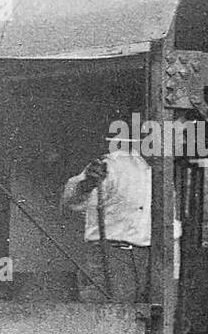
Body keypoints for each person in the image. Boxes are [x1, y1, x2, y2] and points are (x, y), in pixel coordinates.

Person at [61, 124, 151, 303]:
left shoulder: (166, 172)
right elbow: (71, 200)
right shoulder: (114, 164)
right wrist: (87, 183)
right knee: (106, 313)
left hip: (148, 260)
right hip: (110, 256)